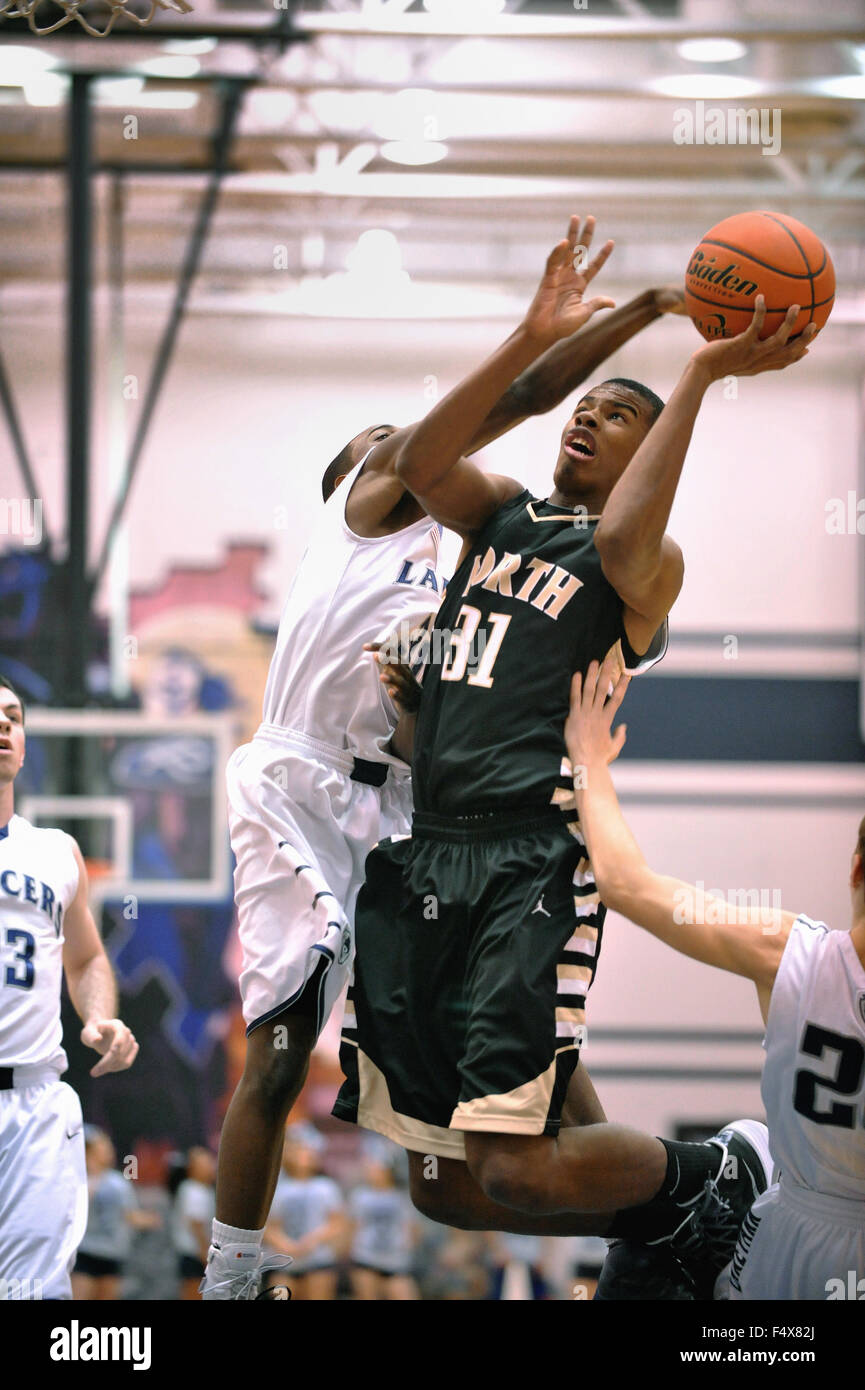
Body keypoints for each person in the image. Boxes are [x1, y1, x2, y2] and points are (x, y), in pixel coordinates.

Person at [201, 222, 691, 1296]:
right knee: (284, 1047)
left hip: (423, 814)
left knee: (520, 1041)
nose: (405, 438)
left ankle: (653, 1230)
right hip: (302, 783)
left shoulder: (480, 550)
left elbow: (531, 417)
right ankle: (231, 1276)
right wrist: (578, 324)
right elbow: (500, 407)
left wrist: (630, 321)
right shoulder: (374, 506)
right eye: (386, 434)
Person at [333, 216, 814, 1299]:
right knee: (446, 1187)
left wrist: (692, 374)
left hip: (526, 864)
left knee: (510, 1160)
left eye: (616, 418)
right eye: (585, 408)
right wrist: (533, 335)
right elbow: (418, 459)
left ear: (652, 456)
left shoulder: (641, 569)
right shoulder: (500, 515)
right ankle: (665, 1222)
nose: (589, 419)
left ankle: (716, 1174)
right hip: (425, 859)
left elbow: (627, 535)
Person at [563, 655, 865, 1300]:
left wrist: (587, 757)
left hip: (794, 1232)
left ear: (856, 867)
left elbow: (625, 883)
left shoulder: (790, 951)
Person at [0, 672, 138, 1301]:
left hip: (33, 1102)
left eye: (15, 715)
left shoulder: (57, 851)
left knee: (34, 1294)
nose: (5, 723)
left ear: (25, 744)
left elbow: (86, 961)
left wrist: (99, 1015)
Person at [71, 1126, 160, 1301]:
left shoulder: (116, 1182)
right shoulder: (79, 1180)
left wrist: (148, 1219)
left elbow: (130, 1215)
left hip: (110, 1255)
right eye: (103, 1146)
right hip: (85, 1253)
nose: (109, 1150)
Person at [262, 1126, 347, 1301]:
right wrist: (285, 1243)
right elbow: (269, 1226)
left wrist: (313, 1239)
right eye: (299, 1149)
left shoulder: (326, 1187)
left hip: (319, 1261)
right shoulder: (277, 1187)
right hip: (284, 1262)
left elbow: (338, 1223)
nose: (304, 1154)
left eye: (308, 1150)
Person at [347, 1148, 418, 1300]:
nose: (372, 1171)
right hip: (365, 1257)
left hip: (395, 1260)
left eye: (376, 1167)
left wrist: (406, 1248)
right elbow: (353, 1227)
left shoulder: (402, 1196)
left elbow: (412, 1228)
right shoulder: (360, 1195)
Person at [172, 1146, 216, 1299]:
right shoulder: (194, 1191)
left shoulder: (203, 1190)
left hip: (196, 1253)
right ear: (192, 1168)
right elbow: (196, 1226)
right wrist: (206, 1255)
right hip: (195, 1254)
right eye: (204, 1164)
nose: (211, 1168)